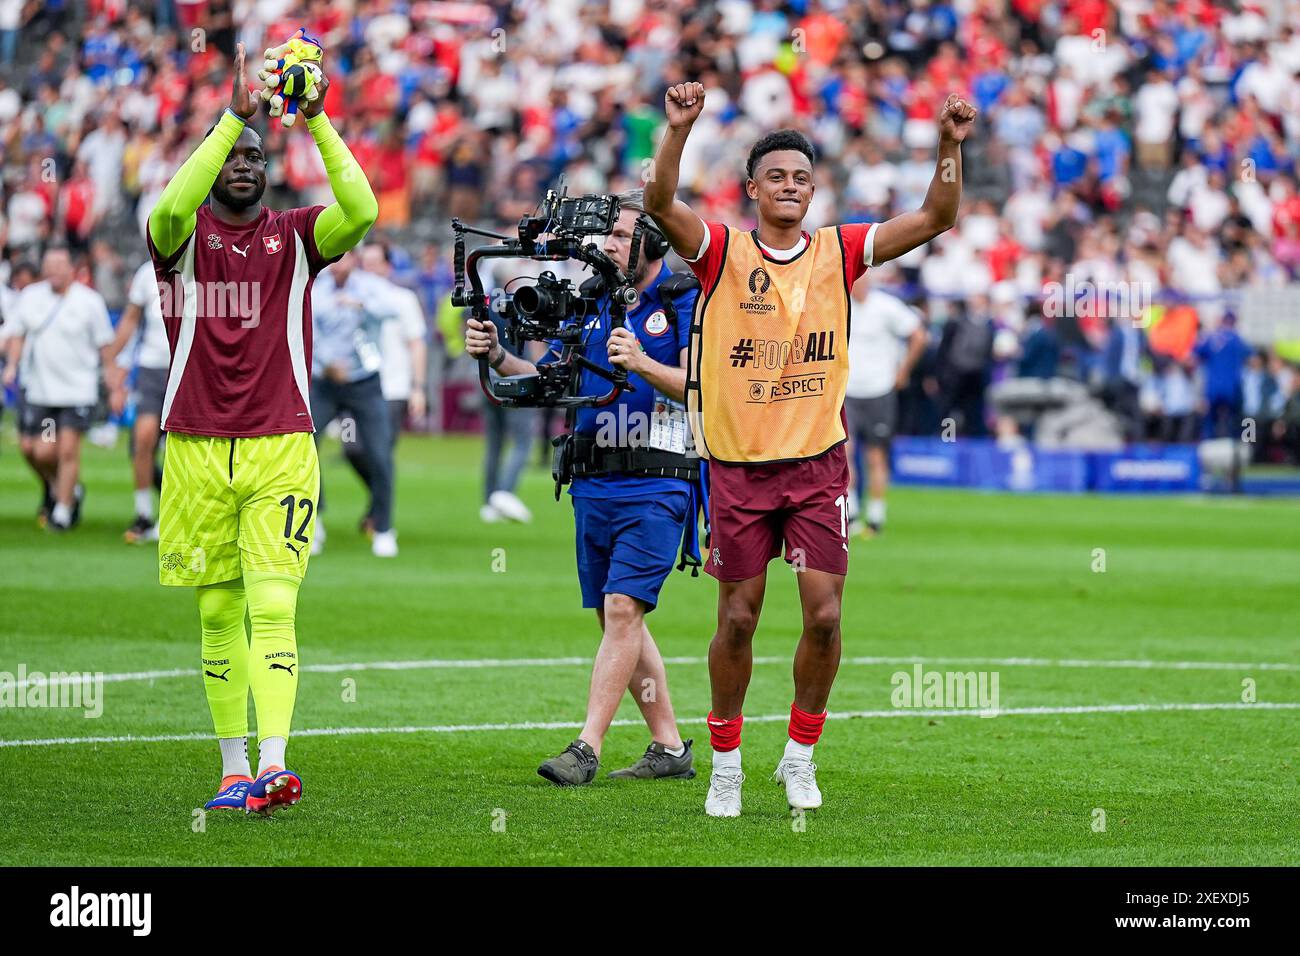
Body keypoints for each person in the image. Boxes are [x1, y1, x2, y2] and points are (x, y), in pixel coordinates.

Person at [643, 82, 975, 816]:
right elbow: (661, 204)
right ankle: (725, 761)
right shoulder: (722, 251)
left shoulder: (840, 251)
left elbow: (938, 215)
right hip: (735, 467)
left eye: (801, 177)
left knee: (824, 616)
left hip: (818, 463)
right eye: (777, 176)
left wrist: (949, 147)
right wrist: (677, 131)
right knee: (738, 618)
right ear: (753, 188)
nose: (789, 186)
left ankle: (800, 754)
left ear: (812, 189)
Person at [144, 45, 376, 815]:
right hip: (195, 445)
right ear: (214, 160)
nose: (246, 161)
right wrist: (234, 114)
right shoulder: (177, 241)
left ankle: (274, 764)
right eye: (233, 154)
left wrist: (314, 119)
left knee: (274, 604)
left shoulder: (300, 237)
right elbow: (171, 206)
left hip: (282, 442)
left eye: (255, 154)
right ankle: (230, 767)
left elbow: (365, 211)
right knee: (216, 611)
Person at [465, 189, 701, 785]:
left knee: (623, 607)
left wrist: (644, 363)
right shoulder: (591, 299)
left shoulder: (682, 298)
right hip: (592, 479)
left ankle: (586, 747)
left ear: (652, 239)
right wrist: (498, 355)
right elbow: (549, 380)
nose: (606, 247)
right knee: (616, 617)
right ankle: (669, 748)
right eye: (605, 237)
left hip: (659, 475)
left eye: (620, 236)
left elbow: (704, 388)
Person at [3, 246, 114, 531]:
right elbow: (16, 333)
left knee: (67, 450)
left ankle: (63, 511)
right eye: (49, 265)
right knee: (39, 451)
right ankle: (65, 488)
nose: (53, 270)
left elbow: (105, 346)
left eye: (59, 265)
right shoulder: (31, 297)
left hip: (77, 392)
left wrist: (114, 384)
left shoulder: (89, 302)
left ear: (71, 269)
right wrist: (12, 365)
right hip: (42, 392)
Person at [310, 249, 403, 556]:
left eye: (343, 258)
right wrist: (326, 363)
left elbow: (394, 309)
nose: (337, 264)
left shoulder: (370, 286)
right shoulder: (316, 287)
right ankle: (314, 522)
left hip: (364, 381)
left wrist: (363, 305)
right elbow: (307, 329)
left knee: (379, 453)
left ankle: (383, 527)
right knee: (305, 448)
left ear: (354, 260)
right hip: (325, 381)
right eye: (332, 259)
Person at [844, 272, 926, 536]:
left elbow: (919, 335)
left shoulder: (886, 306)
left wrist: (903, 371)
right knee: (845, 452)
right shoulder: (841, 303)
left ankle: (876, 515)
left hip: (879, 389)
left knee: (875, 455)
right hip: (847, 390)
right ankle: (852, 513)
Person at [104, 258, 172, 542]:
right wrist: (113, 361)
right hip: (151, 366)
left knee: (178, 447)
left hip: (191, 366)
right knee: (143, 437)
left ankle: (172, 515)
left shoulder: (204, 261)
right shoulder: (148, 271)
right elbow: (132, 318)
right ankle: (143, 513)